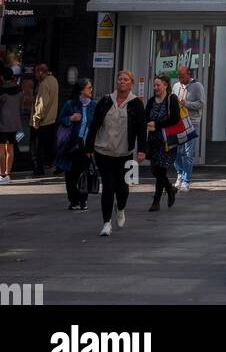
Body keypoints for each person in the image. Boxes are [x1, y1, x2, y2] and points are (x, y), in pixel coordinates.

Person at [86, 69, 147, 237]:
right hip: (103, 151)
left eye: (125, 80)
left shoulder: (136, 103)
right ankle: (106, 223)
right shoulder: (106, 100)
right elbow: (95, 124)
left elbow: (142, 129)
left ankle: (120, 208)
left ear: (131, 84)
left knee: (123, 188)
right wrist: (88, 147)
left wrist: (142, 150)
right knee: (108, 187)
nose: (122, 82)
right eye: (120, 79)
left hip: (125, 152)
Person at [56, 79, 95, 210]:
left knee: (84, 173)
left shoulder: (94, 105)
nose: (91, 90)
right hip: (72, 145)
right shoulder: (70, 104)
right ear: (81, 90)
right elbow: (60, 120)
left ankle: (83, 200)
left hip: (87, 146)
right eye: (89, 87)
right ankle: (73, 200)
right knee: (71, 174)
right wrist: (71, 118)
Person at [144, 73, 181, 211]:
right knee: (155, 170)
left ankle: (156, 201)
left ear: (165, 85)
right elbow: (146, 116)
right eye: (154, 85)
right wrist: (149, 123)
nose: (155, 87)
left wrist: (157, 125)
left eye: (158, 85)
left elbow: (175, 119)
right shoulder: (151, 101)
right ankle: (170, 189)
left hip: (167, 141)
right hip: (153, 140)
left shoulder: (171, 99)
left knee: (161, 169)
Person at [171, 64, 205, 190]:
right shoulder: (176, 86)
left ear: (188, 74)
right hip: (178, 122)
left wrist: (186, 104)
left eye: (182, 76)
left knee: (188, 152)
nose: (180, 79)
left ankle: (186, 180)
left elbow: (201, 104)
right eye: (178, 76)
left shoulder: (197, 86)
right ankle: (179, 173)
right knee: (177, 151)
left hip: (192, 122)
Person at [30, 62, 59, 175]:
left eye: (36, 72)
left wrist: (36, 120)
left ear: (41, 72)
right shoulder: (54, 80)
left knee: (36, 148)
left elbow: (42, 104)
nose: (35, 75)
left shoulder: (43, 85)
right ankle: (52, 165)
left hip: (42, 122)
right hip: (51, 120)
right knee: (48, 145)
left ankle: (38, 169)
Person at [0, 65, 22, 184]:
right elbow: (21, 106)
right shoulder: (18, 90)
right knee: (10, 148)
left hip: (2, 124)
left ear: (2, 77)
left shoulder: (1, 90)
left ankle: (2, 174)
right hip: (14, 123)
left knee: (1, 149)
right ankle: (8, 174)